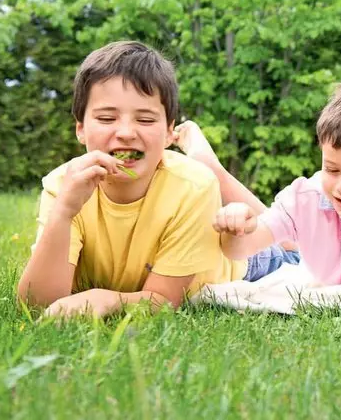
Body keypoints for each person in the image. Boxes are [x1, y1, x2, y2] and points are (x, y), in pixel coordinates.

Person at [17, 41, 246, 317]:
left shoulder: (194, 187)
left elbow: (163, 300)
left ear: (168, 131)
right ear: (80, 128)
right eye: (106, 118)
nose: (125, 132)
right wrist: (64, 212)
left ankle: (208, 160)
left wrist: (104, 299)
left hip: (243, 260)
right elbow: (36, 303)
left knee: (295, 246)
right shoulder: (61, 186)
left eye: (146, 120)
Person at [205, 82, 341, 289]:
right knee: (265, 259)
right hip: (300, 262)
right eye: (332, 169)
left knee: (287, 254)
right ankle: (209, 164)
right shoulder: (303, 196)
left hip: (326, 276)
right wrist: (236, 229)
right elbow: (239, 251)